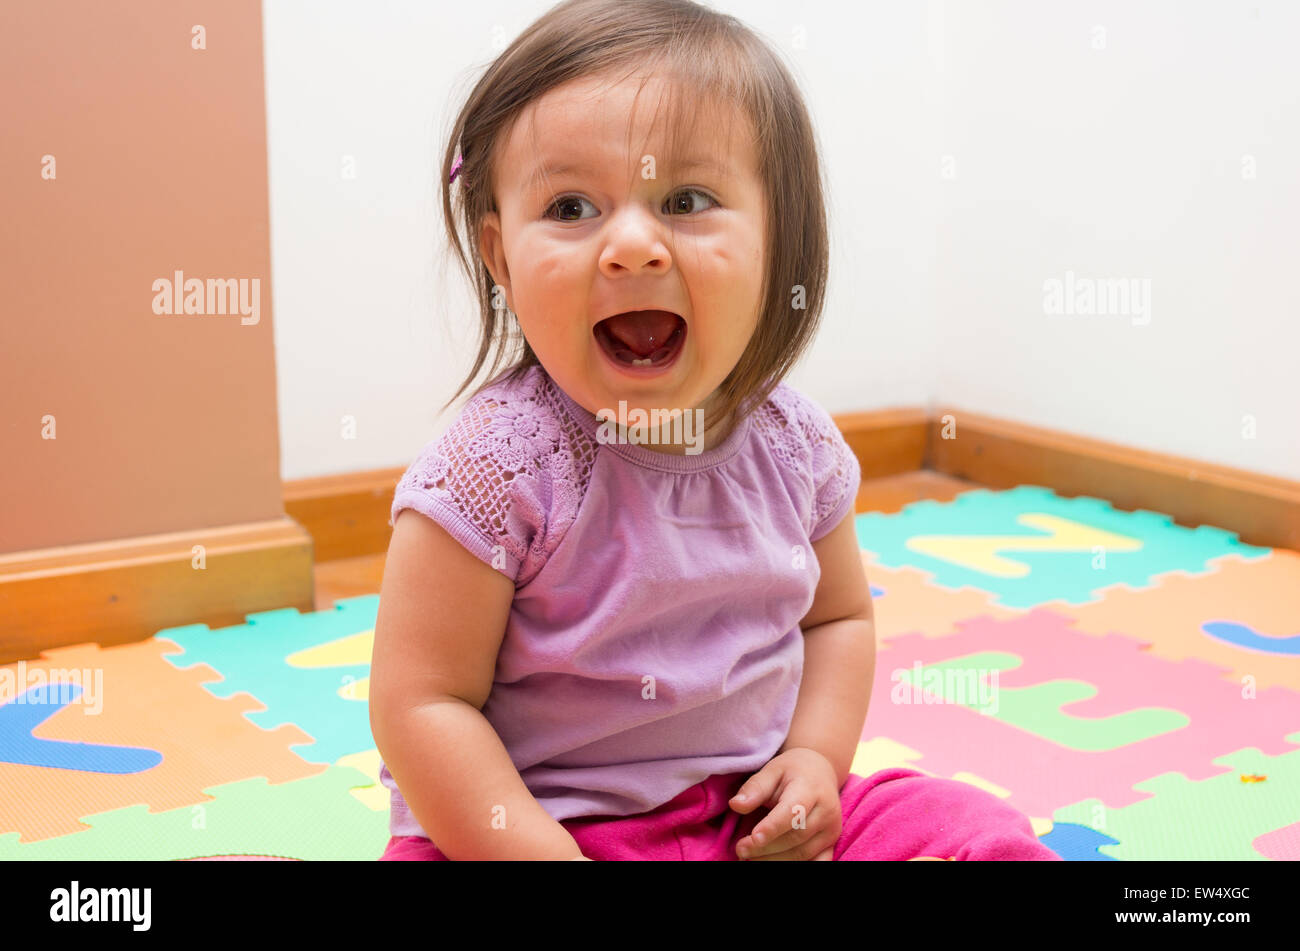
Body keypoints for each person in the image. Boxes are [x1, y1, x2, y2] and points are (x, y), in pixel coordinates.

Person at [370, 0, 1059, 862]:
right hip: (539, 826)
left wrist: (813, 758)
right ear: (502, 258)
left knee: (968, 829)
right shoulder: (497, 468)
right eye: (573, 206)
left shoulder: (796, 447)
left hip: (747, 818)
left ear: (778, 243)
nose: (631, 246)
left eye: (687, 199)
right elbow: (421, 704)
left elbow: (836, 619)